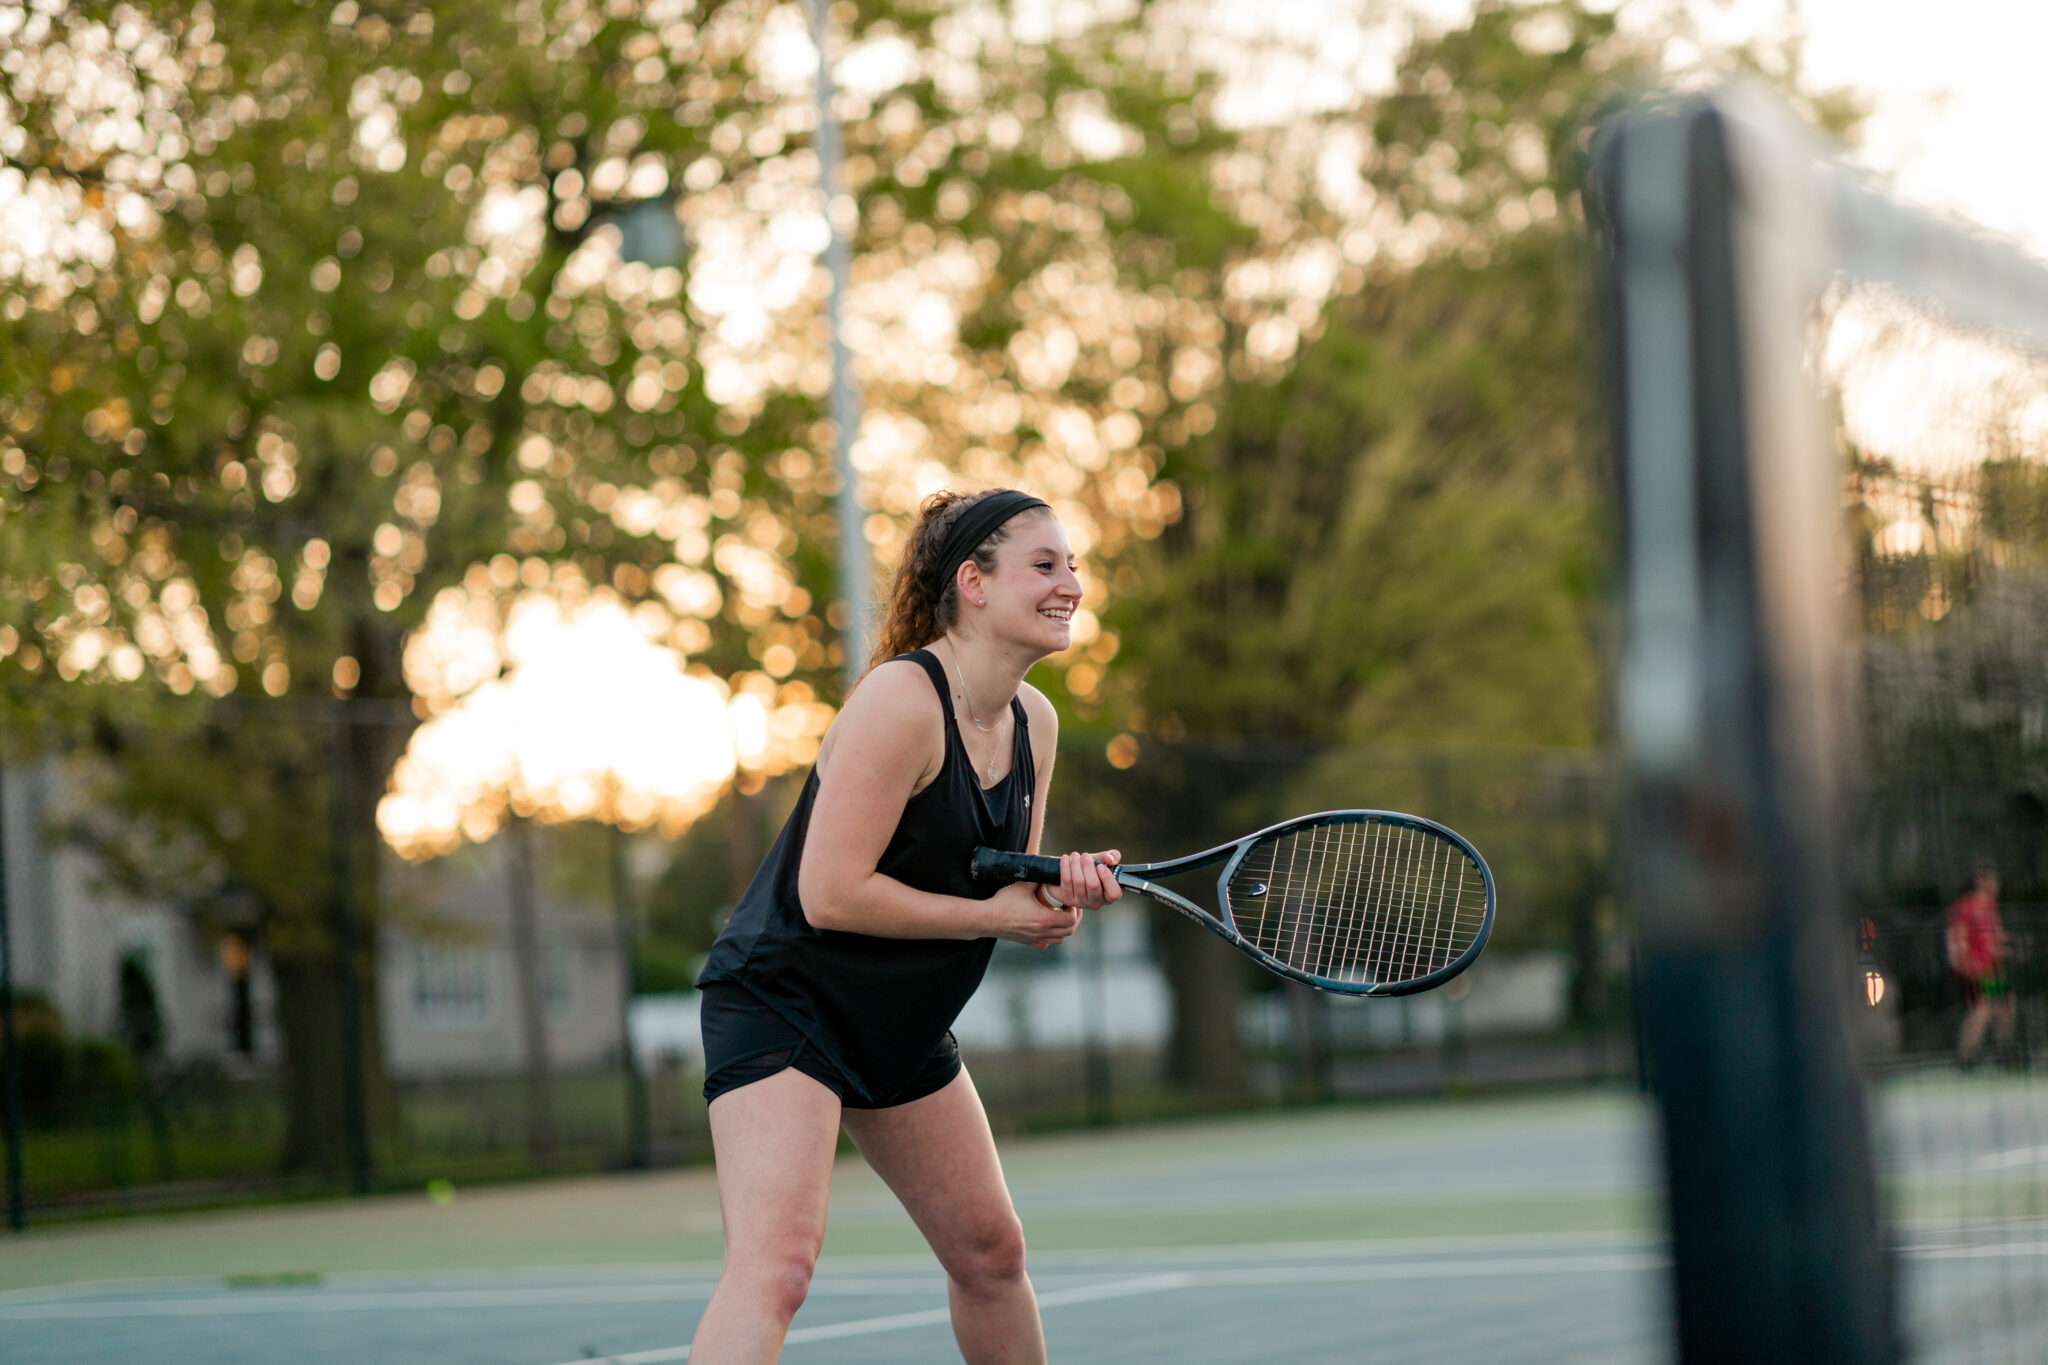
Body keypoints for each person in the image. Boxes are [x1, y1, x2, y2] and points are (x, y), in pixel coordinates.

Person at [688, 488, 1121, 1364]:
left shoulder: (1035, 723)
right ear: (974, 582)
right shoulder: (901, 699)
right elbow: (830, 894)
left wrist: (1062, 890)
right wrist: (994, 917)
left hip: (902, 1017)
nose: (1069, 584)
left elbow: (1004, 886)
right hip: (787, 1002)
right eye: (1044, 564)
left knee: (991, 1255)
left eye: (1072, 565)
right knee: (777, 1268)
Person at [1946, 868, 2013, 1067]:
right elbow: (1956, 937)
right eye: (1992, 880)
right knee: (1981, 1009)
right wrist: (1961, 963)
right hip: (1975, 968)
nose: (1996, 885)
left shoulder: (1991, 907)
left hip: (1993, 969)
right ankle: (1966, 1055)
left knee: (2005, 1006)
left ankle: (2002, 1052)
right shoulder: (1965, 907)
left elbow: (1997, 936)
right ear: (1980, 881)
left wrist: (2012, 946)